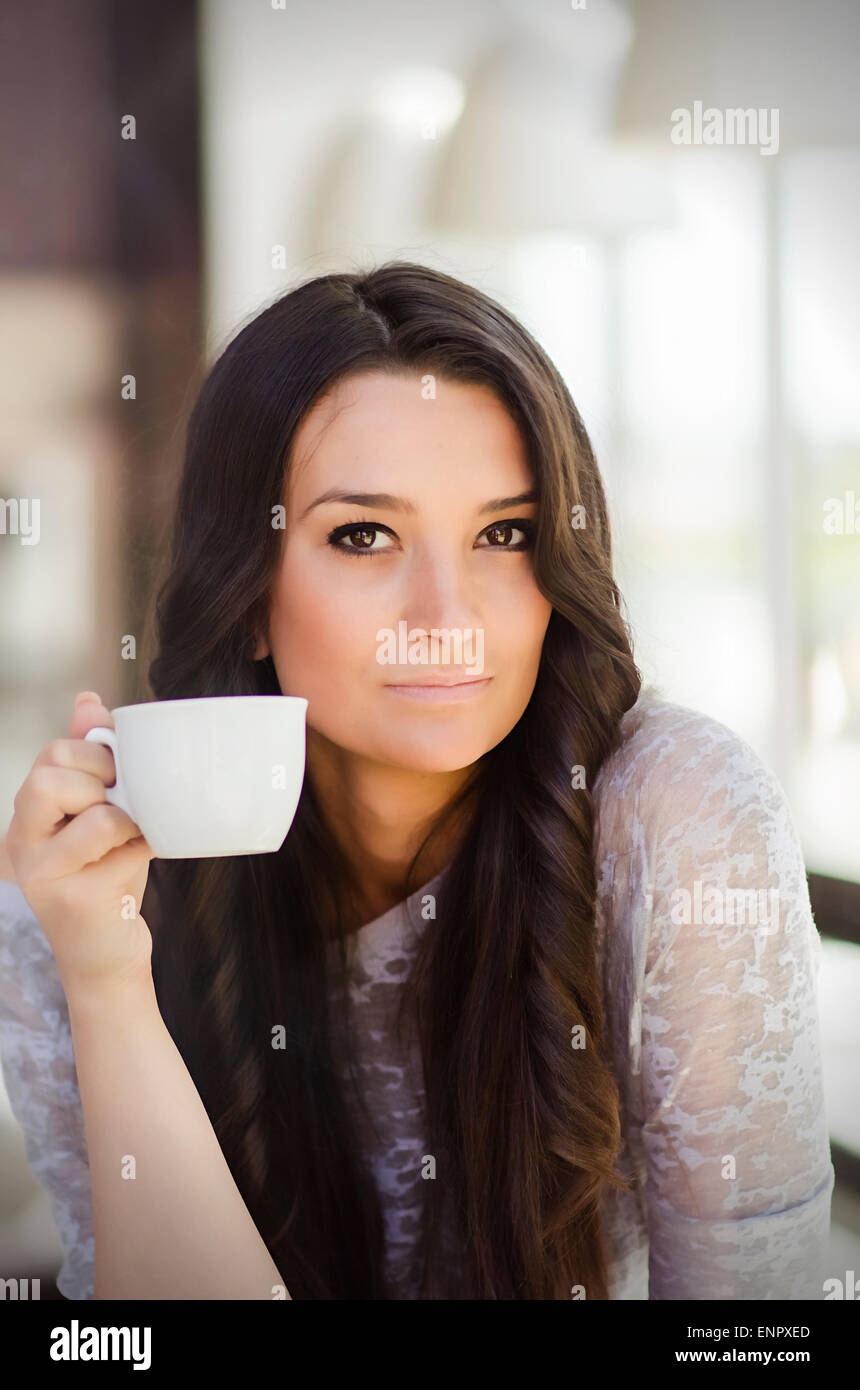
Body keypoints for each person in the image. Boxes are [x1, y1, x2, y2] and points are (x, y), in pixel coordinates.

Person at [0, 262, 834, 1299]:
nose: (446, 613)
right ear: (247, 593)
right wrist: (107, 980)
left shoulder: (674, 816)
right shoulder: (76, 906)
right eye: (364, 535)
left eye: (504, 534)